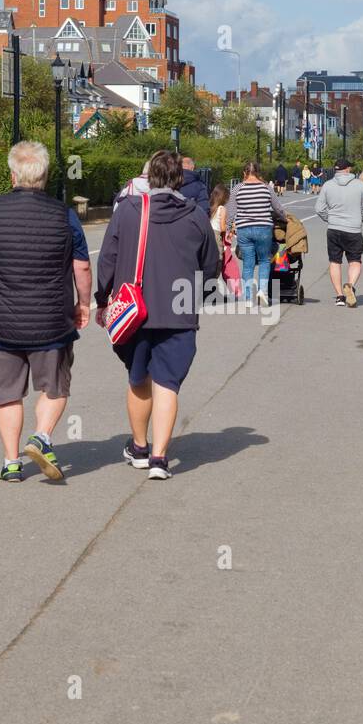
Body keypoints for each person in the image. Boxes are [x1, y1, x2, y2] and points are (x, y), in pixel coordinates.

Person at [0, 141, 92, 483]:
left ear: (12, 175)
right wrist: (83, 304)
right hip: (51, 321)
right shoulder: (64, 215)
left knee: (7, 393)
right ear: (44, 176)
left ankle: (11, 462)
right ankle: (41, 436)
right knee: (54, 387)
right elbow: (81, 267)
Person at [96, 150, 219, 480]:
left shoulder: (128, 212)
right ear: (180, 178)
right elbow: (211, 266)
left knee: (139, 379)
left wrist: (101, 299)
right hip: (179, 312)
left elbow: (107, 258)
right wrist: (197, 294)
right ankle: (160, 458)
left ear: (148, 178)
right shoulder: (195, 216)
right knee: (168, 383)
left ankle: (139, 447)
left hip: (136, 311)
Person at [226, 160, 288, 306]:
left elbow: (230, 212)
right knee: (265, 260)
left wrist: (229, 229)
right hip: (264, 228)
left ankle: (248, 298)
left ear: (244, 173)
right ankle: (263, 291)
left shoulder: (237, 188)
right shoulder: (266, 188)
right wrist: (284, 218)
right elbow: (277, 208)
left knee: (248, 263)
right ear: (258, 172)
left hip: (244, 230)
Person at [316, 159, 363, 307]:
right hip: (353, 229)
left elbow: (319, 208)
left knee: (335, 261)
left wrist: (330, 219)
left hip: (334, 228)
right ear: (348, 169)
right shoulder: (359, 185)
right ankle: (350, 284)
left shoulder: (328, 185)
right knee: (355, 261)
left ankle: (339, 296)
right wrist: (360, 220)